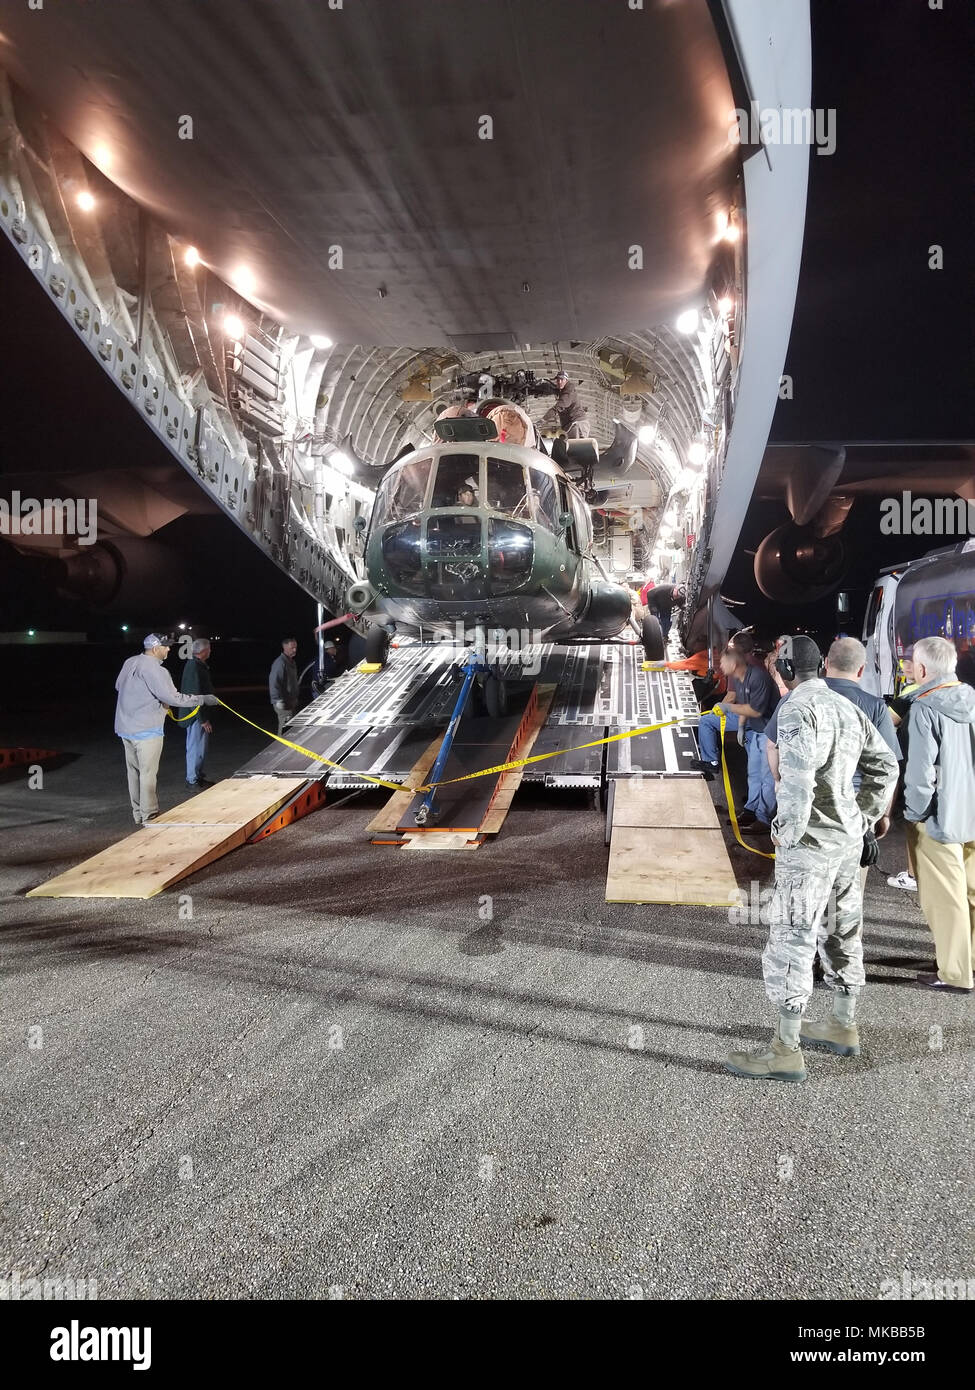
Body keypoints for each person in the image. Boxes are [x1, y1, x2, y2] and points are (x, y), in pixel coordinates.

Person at [726, 634, 899, 1083]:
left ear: (782, 671)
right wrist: (864, 817)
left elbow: (798, 783)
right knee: (843, 929)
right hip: (846, 845)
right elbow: (886, 765)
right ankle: (843, 1025)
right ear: (820, 665)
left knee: (792, 939)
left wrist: (784, 832)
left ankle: (785, 1050)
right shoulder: (848, 707)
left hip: (811, 849)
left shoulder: (797, 709)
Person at [902, 635, 975, 993]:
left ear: (923, 669)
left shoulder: (925, 707)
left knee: (946, 900)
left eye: (911, 663)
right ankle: (970, 961)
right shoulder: (973, 698)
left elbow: (920, 775)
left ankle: (955, 972)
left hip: (942, 818)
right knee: (973, 894)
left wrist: (915, 815)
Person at [114, 634, 219, 826]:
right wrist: (204, 699)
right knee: (147, 773)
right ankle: (150, 815)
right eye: (165, 647)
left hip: (125, 728)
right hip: (146, 729)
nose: (169, 650)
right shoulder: (157, 670)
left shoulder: (130, 662)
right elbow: (175, 698)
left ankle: (138, 813)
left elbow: (118, 685)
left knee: (134, 772)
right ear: (155, 649)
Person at [690, 641, 779, 834]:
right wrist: (740, 727)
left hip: (767, 733)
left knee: (767, 777)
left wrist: (726, 708)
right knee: (754, 774)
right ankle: (751, 810)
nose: (721, 666)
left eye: (724, 661)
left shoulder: (754, 675)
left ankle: (764, 820)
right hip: (754, 729)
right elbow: (745, 702)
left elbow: (754, 709)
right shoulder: (742, 674)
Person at [887, 647, 921, 892]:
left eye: (911, 662)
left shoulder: (911, 695)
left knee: (914, 819)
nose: (905, 667)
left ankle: (913, 875)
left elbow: (887, 722)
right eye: (903, 662)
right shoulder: (962, 692)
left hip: (917, 767)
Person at [180, 637, 216, 788]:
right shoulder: (194, 667)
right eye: (209, 648)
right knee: (195, 748)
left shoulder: (197, 665)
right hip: (195, 716)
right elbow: (194, 696)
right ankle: (193, 779)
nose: (210, 651)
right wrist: (202, 719)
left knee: (200, 748)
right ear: (203, 651)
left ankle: (197, 776)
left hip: (198, 715)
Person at [538, 370, 590, 438]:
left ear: (566, 380)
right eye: (558, 380)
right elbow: (554, 389)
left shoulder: (568, 393)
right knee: (570, 446)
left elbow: (557, 408)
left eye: (562, 379)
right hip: (572, 424)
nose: (559, 382)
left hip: (577, 424)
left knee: (575, 447)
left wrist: (541, 421)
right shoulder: (563, 390)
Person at [269, 637, 300, 733]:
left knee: (290, 727)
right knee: (285, 729)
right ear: (285, 647)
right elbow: (274, 682)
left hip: (290, 701)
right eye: (292, 648)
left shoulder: (291, 662)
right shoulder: (280, 663)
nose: (295, 650)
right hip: (283, 702)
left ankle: (289, 746)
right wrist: (278, 700)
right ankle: (281, 746)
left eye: (296, 647)